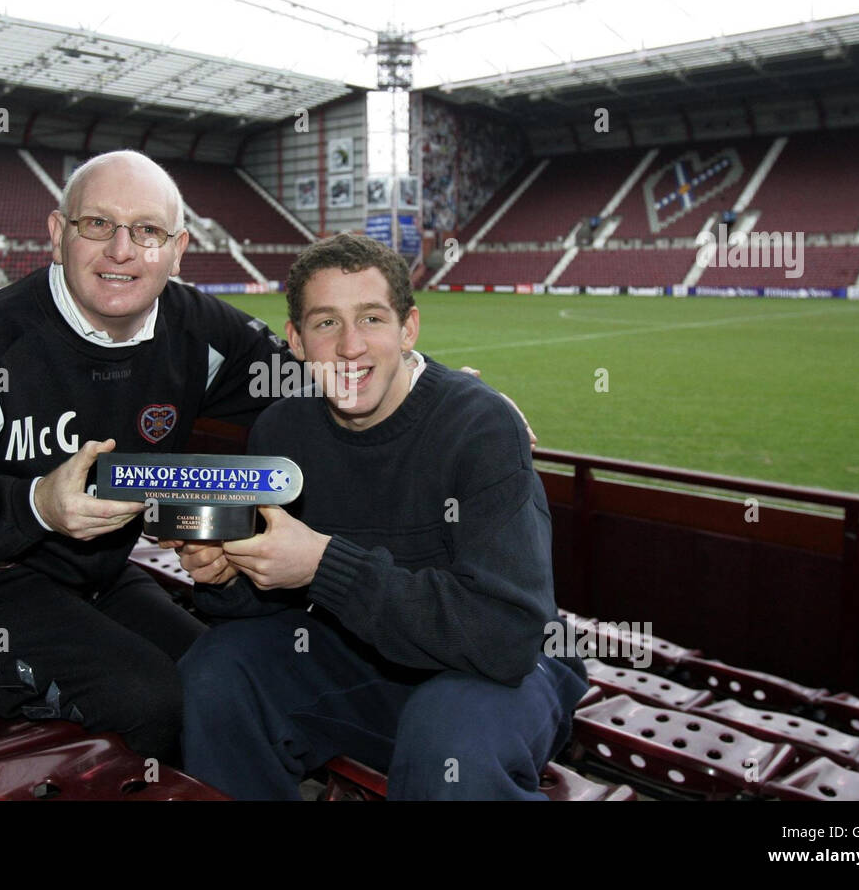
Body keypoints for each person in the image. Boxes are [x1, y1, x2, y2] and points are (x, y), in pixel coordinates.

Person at [0, 150, 290, 765]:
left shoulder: (199, 329)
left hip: (91, 578)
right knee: (151, 700)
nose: (121, 250)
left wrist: (421, 386)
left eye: (147, 231)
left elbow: (309, 379)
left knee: (222, 676)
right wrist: (34, 506)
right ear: (59, 235)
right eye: (97, 225)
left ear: (177, 248)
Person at [169, 232, 588, 800]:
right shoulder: (281, 429)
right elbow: (270, 600)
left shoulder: (479, 427)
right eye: (325, 324)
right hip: (362, 653)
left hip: (503, 669)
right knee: (215, 671)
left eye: (371, 318)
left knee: (449, 739)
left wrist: (324, 565)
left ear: (408, 328)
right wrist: (225, 575)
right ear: (294, 340)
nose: (349, 347)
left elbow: (506, 636)